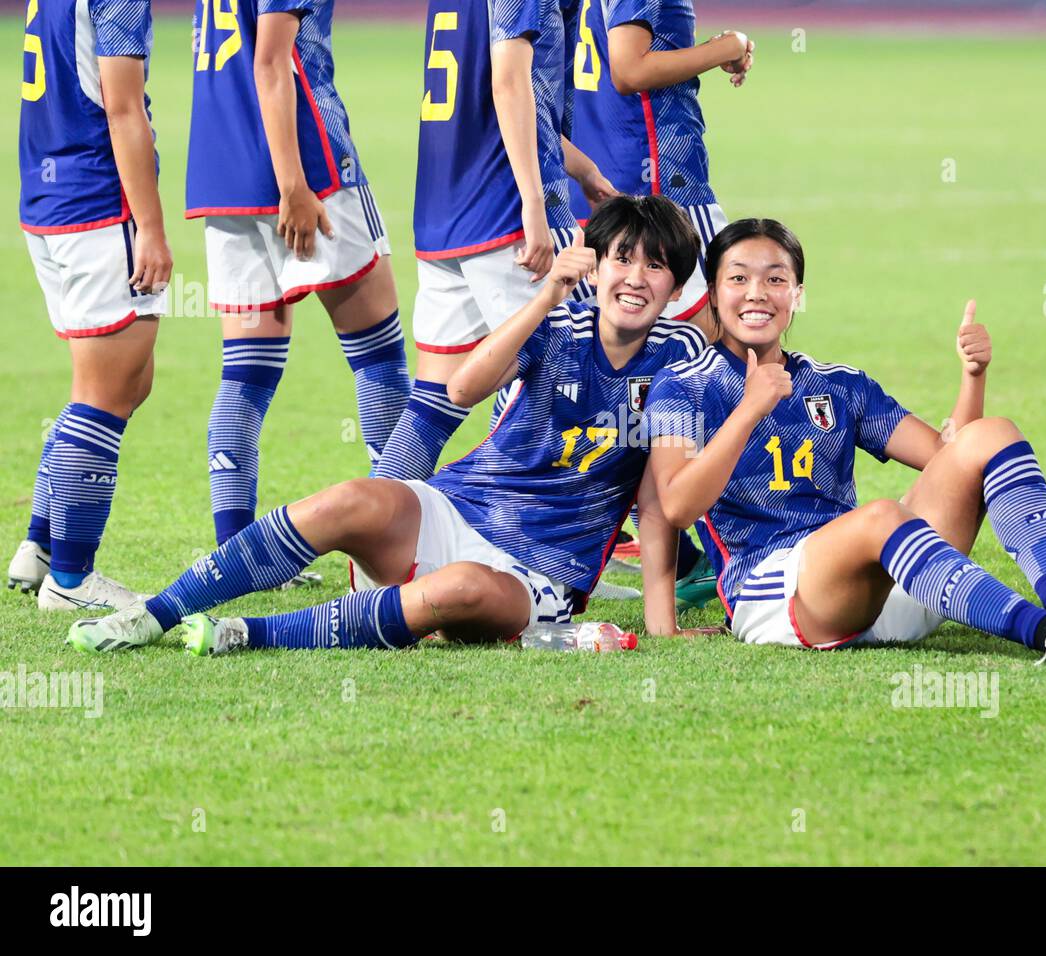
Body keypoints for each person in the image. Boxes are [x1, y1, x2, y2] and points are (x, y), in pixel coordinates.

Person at [66, 196, 707, 655]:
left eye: (656, 267)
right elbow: (463, 386)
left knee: (456, 588)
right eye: (622, 259)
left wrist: (662, 627)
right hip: (458, 509)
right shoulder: (559, 322)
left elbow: (658, 504)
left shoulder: (680, 359)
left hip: (538, 574)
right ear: (592, 266)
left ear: (676, 287)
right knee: (353, 497)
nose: (636, 278)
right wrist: (542, 298)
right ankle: (152, 616)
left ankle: (246, 635)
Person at [642, 219, 1046, 664]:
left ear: (798, 294)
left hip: (883, 582)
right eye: (738, 278)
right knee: (881, 516)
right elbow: (680, 506)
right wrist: (751, 408)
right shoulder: (684, 385)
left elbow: (953, 460)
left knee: (993, 434)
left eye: (776, 279)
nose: (757, 293)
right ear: (712, 292)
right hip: (781, 594)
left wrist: (973, 376)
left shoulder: (837, 383)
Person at [187, 0, 410, 562]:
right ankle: (398, 529)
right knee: (379, 356)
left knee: (245, 376)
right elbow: (271, 61)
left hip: (227, 174)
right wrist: (293, 184)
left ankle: (232, 553)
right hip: (309, 171)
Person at [371, 0, 615, 483]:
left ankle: (378, 536)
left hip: (447, 215)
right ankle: (513, 531)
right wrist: (533, 200)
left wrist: (584, 170)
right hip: (505, 210)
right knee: (579, 380)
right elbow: (506, 84)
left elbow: (483, 101)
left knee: (432, 403)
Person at [563, 0, 754, 606]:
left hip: (602, 192)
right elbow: (629, 68)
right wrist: (726, 47)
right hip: (661, 195)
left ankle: (650, 538)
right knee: (727, 371)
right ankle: (737, 547)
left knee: (611, 369)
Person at [8, 0, 172, 612]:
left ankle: (42, 546)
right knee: (105, 397)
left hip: (47, 202)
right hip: (97, 205)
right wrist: (150, 227)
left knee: (123, 383)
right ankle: (72, 581)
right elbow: (123, 107)